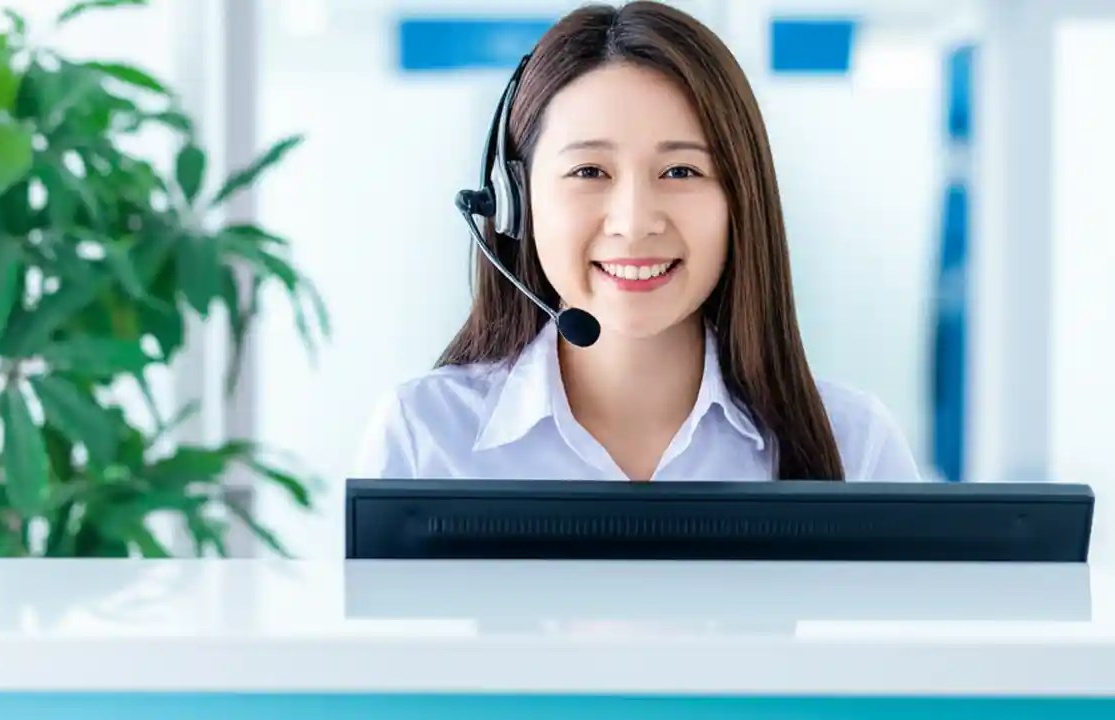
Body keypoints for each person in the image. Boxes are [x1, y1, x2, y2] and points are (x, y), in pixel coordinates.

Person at [353, 1, 921, 483]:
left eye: (680, 172)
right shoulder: (427, 437)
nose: (633, 222)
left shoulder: (855, 446)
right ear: (515, 202)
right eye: (589, 171)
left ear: (740, 201)